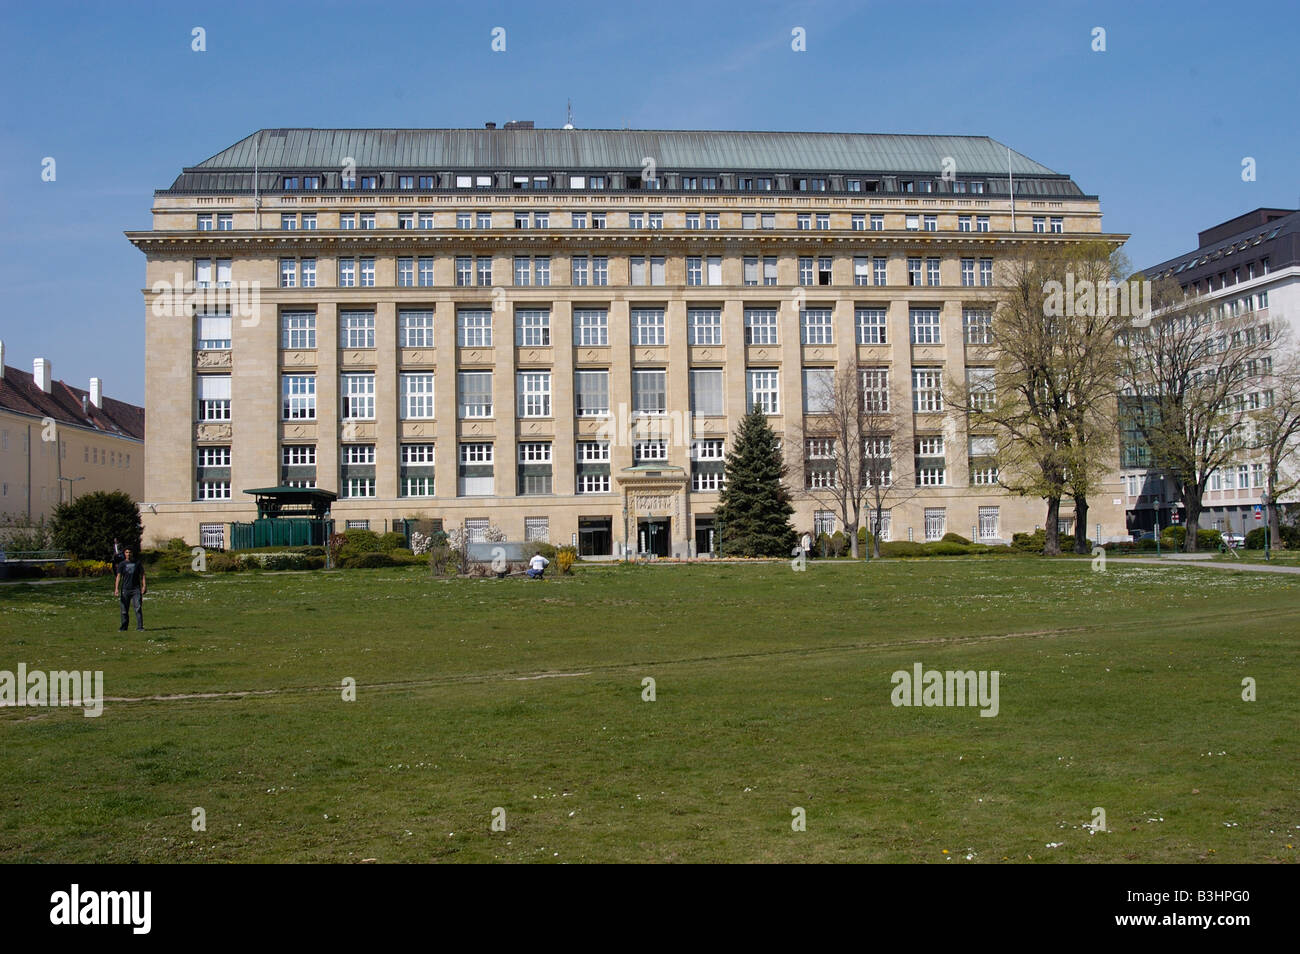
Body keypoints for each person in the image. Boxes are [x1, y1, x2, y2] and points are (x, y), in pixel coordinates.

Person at [114, 545, 147, 631]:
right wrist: (116, 588)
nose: (128, 554)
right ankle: (124, 627)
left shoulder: (137, 563)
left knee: (138, 608)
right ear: (124, 554)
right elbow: (118, 576)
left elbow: (142, 574)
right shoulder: (122, 564)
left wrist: (144, 586)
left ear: (132, 553)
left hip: (136, 589)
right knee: (124, 610)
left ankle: (140, 627)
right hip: (125, 589)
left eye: (130, 552)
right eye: (126, 552)